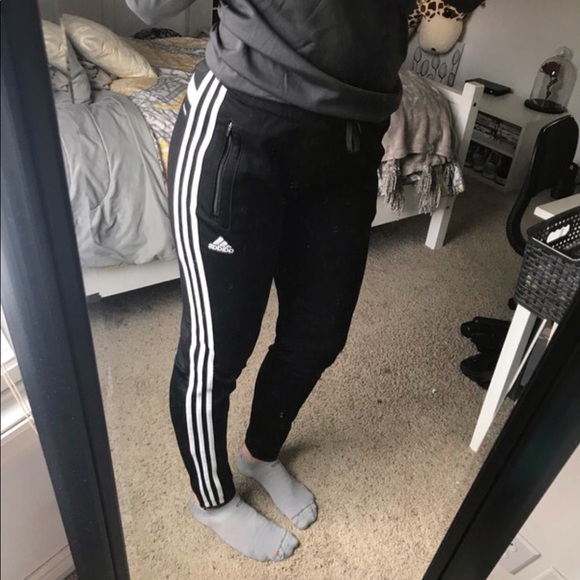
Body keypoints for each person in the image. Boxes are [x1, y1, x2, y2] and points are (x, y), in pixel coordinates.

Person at [127, 0, 412, 562]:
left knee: (319, 334)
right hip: (242, 125)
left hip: (353, 136)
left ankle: (259, 453)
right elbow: (148, 6)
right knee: (215, 352)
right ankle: (211, 500)